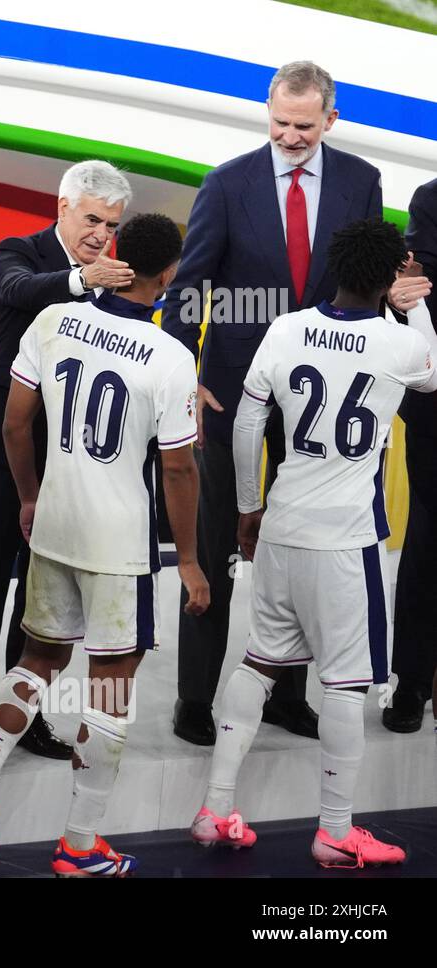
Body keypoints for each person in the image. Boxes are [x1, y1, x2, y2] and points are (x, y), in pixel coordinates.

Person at [0, 213, 209, 877]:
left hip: (55, 525)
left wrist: (33, 496)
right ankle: (80, 843)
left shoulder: (54, 322)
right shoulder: (172, 357)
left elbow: (13, 424)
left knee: (36, 663)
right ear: (171, 273)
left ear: (117, 255)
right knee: (113, 692)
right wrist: (186, 558)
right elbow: (179, 469)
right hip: (118, 544)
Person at [161, 61, 402, 746]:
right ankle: (193, 700)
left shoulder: (361, 182)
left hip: (321, 401)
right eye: (279, 123)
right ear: (267, 112)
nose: (290, 137)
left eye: (303, 125)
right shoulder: (226, 184)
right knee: (211, 546)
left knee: (299, 546)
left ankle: (285, 696)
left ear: (330, 119)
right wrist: (183, 373)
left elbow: (368, 282)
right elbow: (189, 287)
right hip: (229, 390)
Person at [194, 218, 435, 867]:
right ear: (392, 275)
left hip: (281, 522)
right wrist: (416, 304)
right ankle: (334, 830)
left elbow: (248, 420)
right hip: (346, 539)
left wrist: (249, 506)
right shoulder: (398, 344)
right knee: (348, 684)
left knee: (259, 661)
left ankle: (216, 808)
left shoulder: (287, 328)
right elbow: (434, 374)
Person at [0, 160, 134, 765]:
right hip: (3, 435)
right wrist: (85, 279)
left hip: (67, 446)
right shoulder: (18, 250)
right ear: (62, 207)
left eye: (110, 224)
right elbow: (17, 292)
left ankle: (18, 708)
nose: (99, 233)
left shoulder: (111, 271)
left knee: (40, 589)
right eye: (90, 219)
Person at [384, 177, 437, 732]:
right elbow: (415, 284)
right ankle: (411, 685)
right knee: (426, 551)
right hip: (435, 411)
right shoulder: (431, 199)